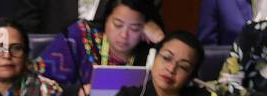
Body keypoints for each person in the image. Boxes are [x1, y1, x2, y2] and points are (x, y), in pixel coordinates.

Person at [38, 0, 156, 96]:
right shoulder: (79, 36)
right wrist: (76, 91)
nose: (124, 35)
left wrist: (159, 40)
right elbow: (36, 80)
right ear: (106, 19)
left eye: (134, 28)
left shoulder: (151, 52)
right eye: (118, 25)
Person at [14, 0, 164, 42]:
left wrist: (145, 23)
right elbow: (25, 30)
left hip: (112, 75)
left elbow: (153, 26)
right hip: (54, 72)